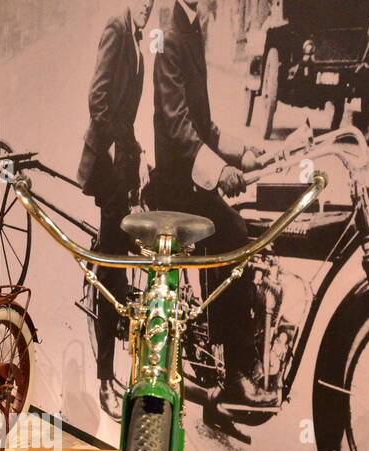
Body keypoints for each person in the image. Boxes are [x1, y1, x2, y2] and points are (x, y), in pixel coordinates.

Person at [153, 0, 266, 414]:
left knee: (251, 229)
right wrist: (219, 171)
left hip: (191, 173)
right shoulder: (169, 30)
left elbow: (204, 123)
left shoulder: (192, 23)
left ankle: (241, 346)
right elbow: (175, 122)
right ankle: (235, 375)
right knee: (234, 236)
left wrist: (243, 154)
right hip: (176, 181)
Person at [78, 0, 154, 418]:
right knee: (112, 269)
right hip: (107, 165)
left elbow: (126, 116)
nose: (147, 5)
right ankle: (105, 378)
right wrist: (115, 156)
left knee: (138, 248)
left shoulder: (137, 38)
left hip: (123, 161)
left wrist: (137, 157)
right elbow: (99, 99)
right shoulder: (115, 28)